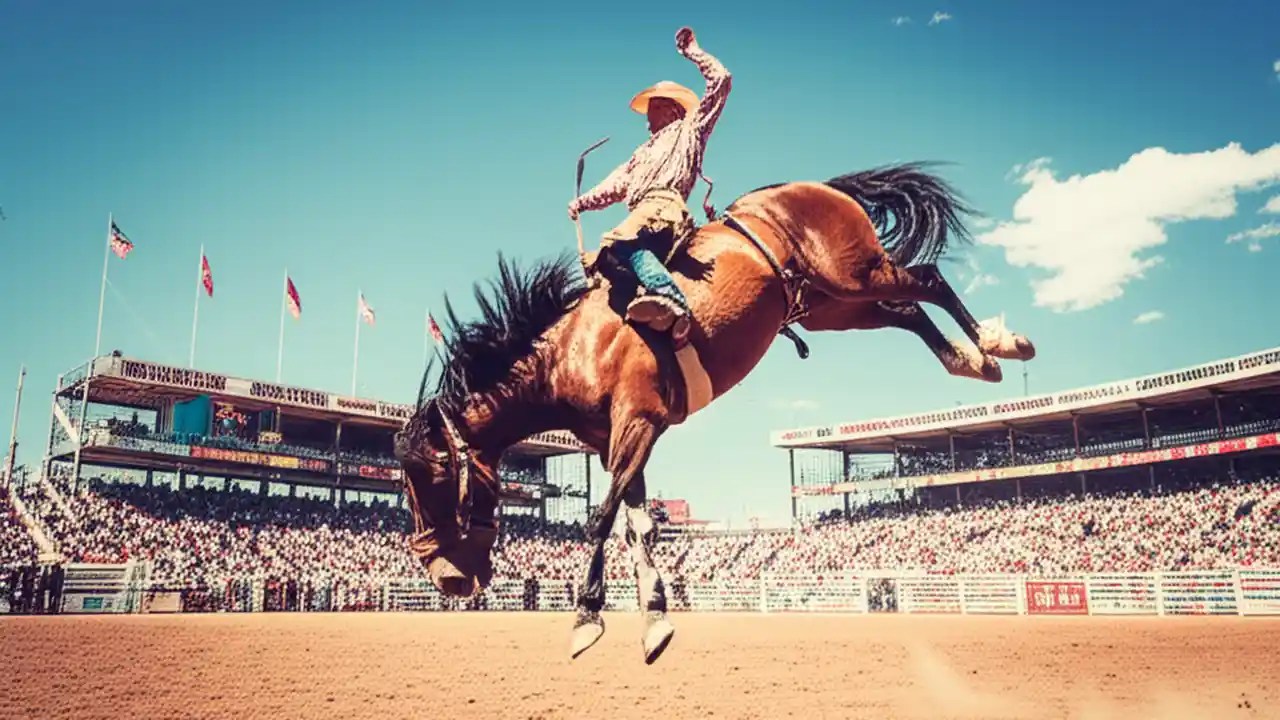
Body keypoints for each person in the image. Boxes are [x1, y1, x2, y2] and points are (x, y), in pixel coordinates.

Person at [568, 26, 732, 349]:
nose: (646, 120)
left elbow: (721, 80)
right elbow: (615, 185)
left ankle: (670, 297)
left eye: (652, 108)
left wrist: (693, 52)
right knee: (607, 260)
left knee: (619, 246)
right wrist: (582, 202)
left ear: (672, 108)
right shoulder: (640, 154)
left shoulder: (691, 129)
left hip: (663, 212)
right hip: (640, 216)